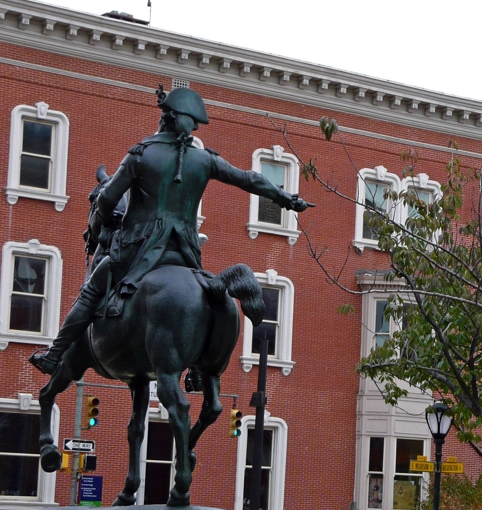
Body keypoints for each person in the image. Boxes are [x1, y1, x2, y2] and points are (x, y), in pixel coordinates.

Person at [29, 85, 312, 375]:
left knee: (90, 293)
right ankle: (199, 370)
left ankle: (54, 355)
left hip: (138, 248)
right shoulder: (205, 160)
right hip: (185, 250)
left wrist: (100, 220)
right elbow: (249, 179)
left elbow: (108, 198)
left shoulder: (140, 155)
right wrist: (286, 199)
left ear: (166, 118)